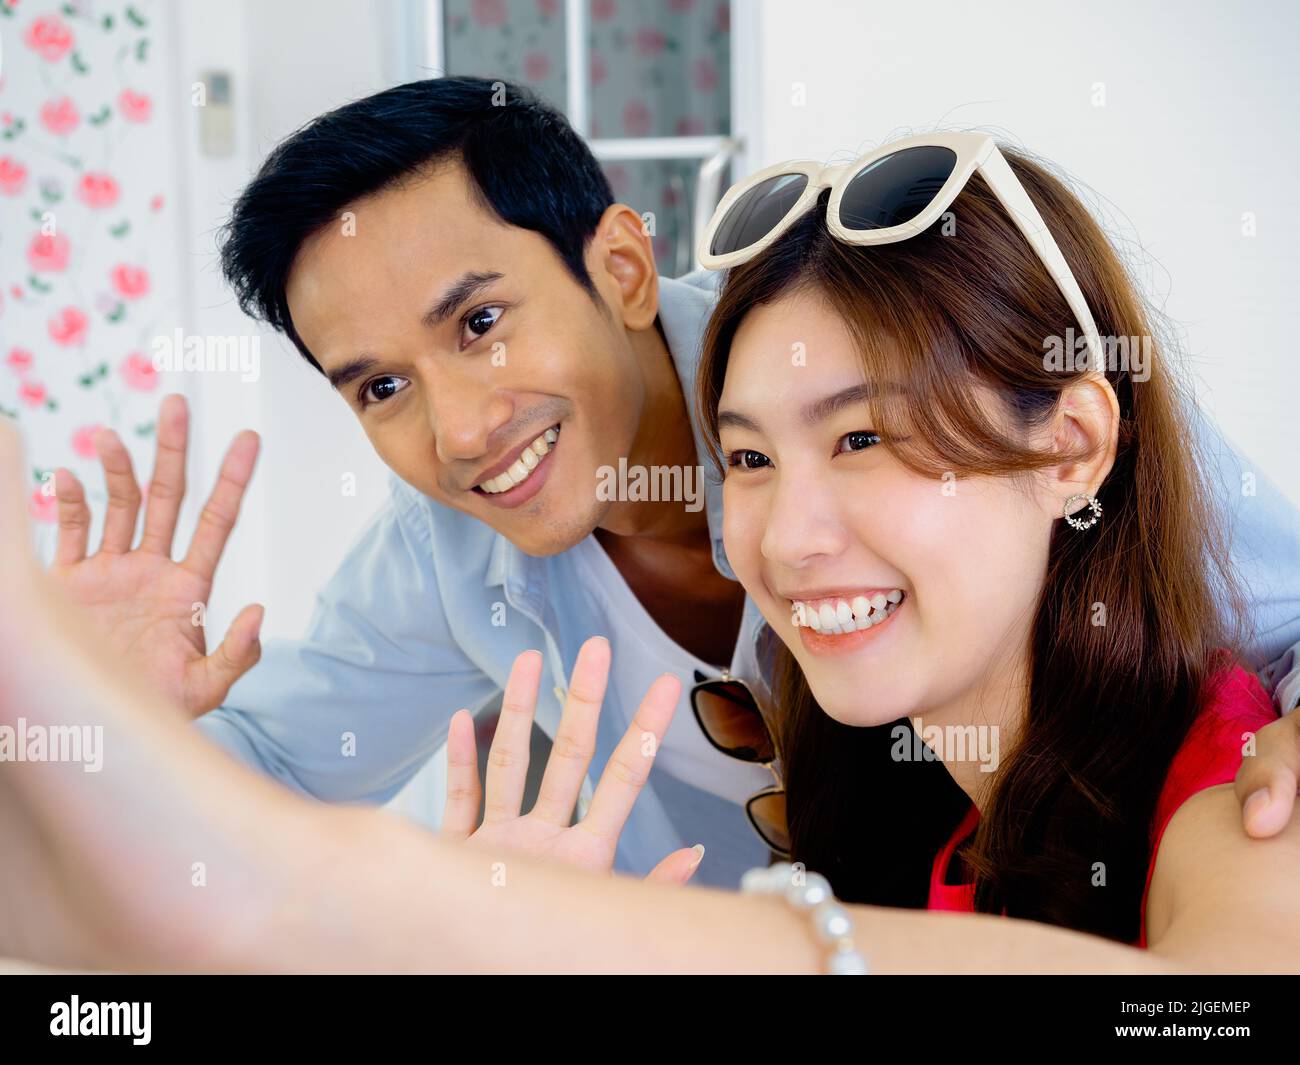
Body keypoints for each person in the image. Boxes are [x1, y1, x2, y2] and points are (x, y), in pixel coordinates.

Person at [3, 133, 1299, 974]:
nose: (785, 539)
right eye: (746, 460)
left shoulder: (1231, 786)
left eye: (860, 441)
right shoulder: (923, 814)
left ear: (623, 268)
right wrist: (90, 729)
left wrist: (540, 927)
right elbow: (222, 798)